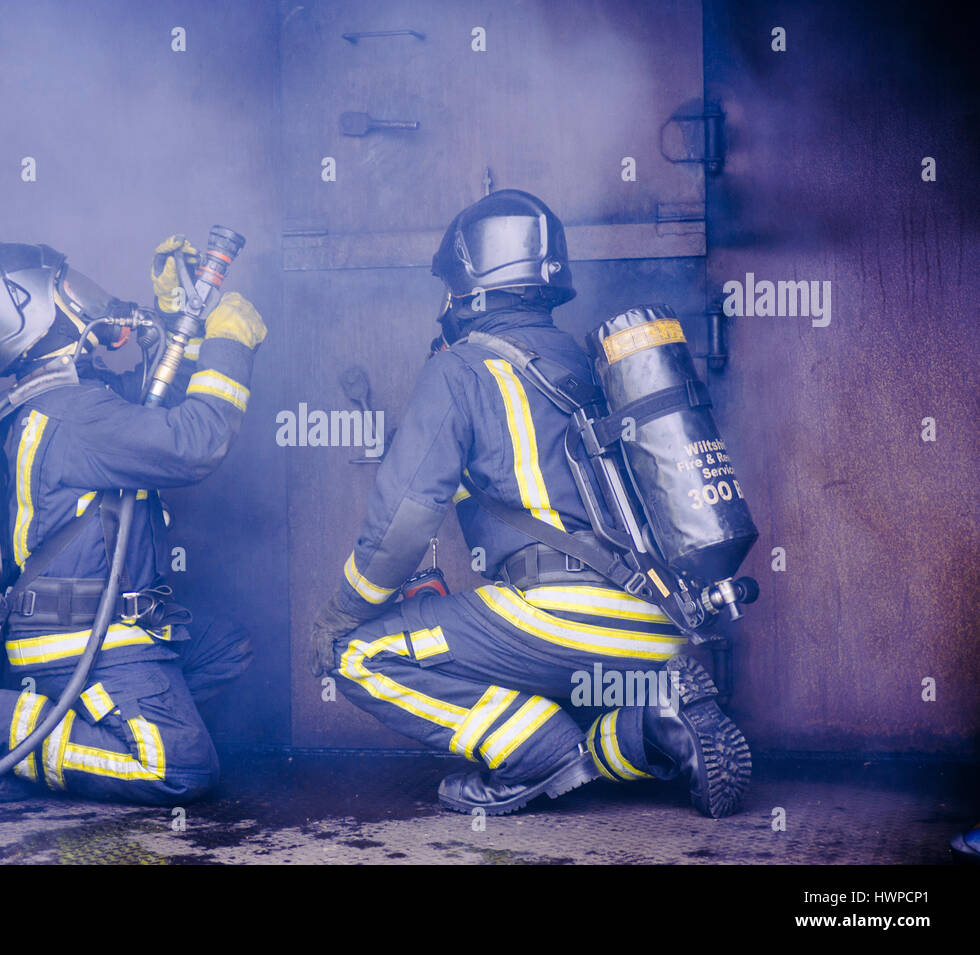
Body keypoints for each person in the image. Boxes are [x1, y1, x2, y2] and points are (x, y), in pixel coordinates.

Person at [308, 189, 751, 817]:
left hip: (561, 618)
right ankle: (654, 721)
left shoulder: (460, 370)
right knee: (568, 702)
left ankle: (537, 752)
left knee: (359, 656)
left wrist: (340, 612)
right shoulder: (593, 366)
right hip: (662, 621)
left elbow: (403, 520)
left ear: (466, 285)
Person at [0, 236, 265, 804]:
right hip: (81, 636)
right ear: (36, 309)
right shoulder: (76, 415)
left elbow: (147, 420)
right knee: (181, 770)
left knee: (226, 647)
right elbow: (193, 443)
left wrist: (173, 317)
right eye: (67, 285)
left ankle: (109, 721)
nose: (83, 295)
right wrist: (229, 343)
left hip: (86, 623)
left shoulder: (50, 402)